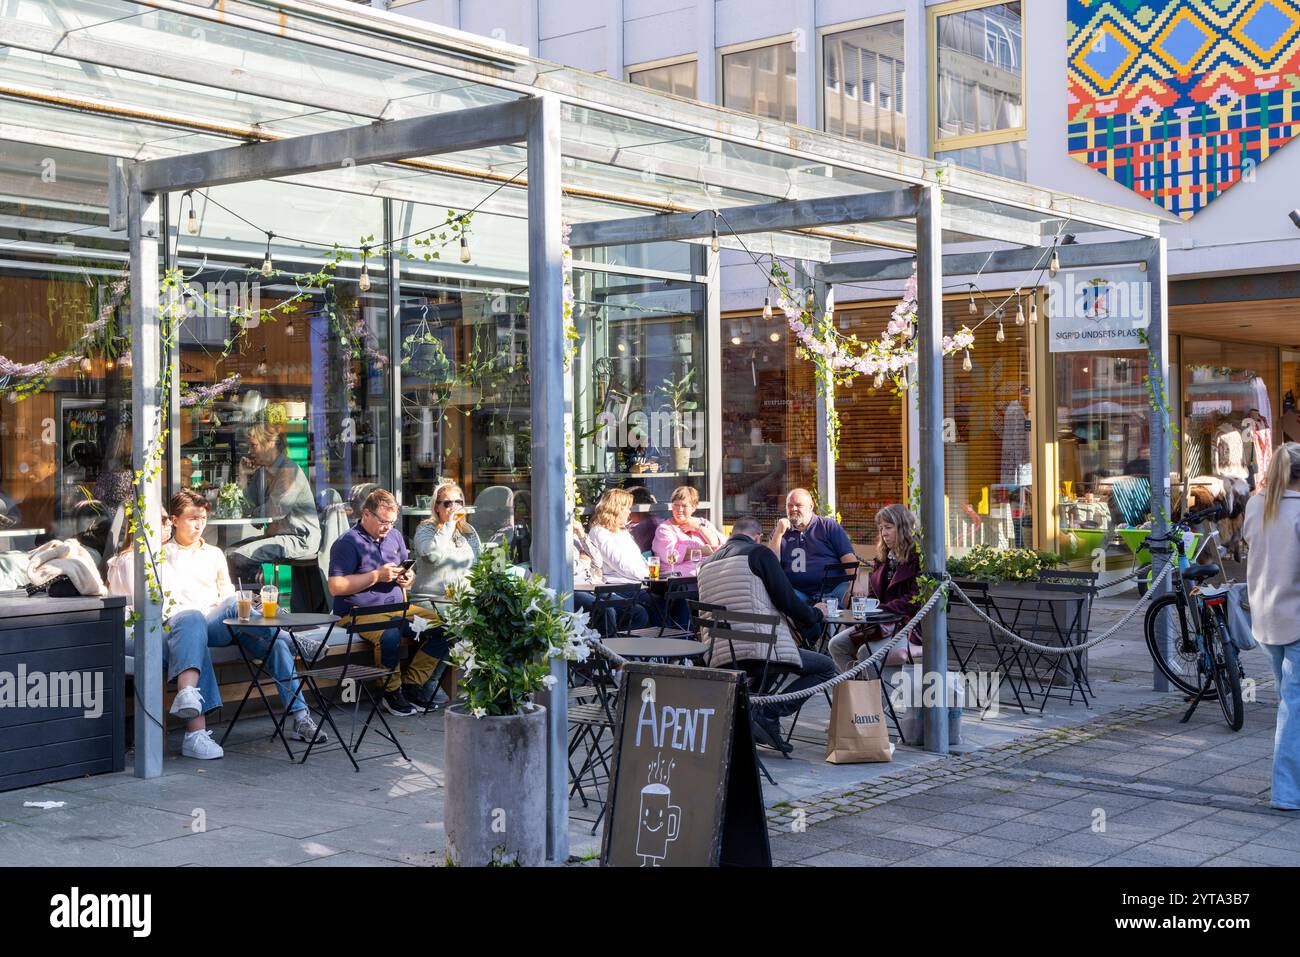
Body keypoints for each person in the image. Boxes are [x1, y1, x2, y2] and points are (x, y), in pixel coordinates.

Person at [117, 490, 324, 760]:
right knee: (234, 607)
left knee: (266, 639)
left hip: (223, 623)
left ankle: (300, 717)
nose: (199, 524)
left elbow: (226, 593)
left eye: (203, 518)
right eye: (192, 518)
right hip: (189, 626)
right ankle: (287, 636)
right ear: (176, 520)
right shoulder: (161, 555)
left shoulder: (213, 554)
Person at [698, 516, 835, 754]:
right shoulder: (759, 554)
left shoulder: (706, 564)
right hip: (760, 650)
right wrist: (815, 614)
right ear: (758, 536)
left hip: (719, 654)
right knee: (825, 667)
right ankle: (768, 713)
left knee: (772, 658)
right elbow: (787, 601)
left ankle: (753, 717)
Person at [327, 487, 440, 716]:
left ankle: (412, 685)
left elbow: (405, 571)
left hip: (398, 608)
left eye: (392, 523)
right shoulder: (347, 543)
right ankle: (390, 692)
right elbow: (335, 587)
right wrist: (376, 576)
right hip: (358, 612)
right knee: (391, 632)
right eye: (383, 522)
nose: (388, 528)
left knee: (443, 628)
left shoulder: (394, 536)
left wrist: (408, 577)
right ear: (366, 514)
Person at [1242, 441, 1300, 811]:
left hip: (1264, 619)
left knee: (1289, 703)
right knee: (1293, 709)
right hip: (1296, 620)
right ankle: (1286, 793)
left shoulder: (1255, 506)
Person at [226, 422, 322, 588]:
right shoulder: (263, 472)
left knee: (239, 557)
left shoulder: (289, 470)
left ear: (269, 444)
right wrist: (243, 477)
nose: (249, 452)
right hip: (277, 536)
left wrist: (255, 513)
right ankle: (251, 600)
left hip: (299, 538)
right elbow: (246, 509)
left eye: (253, 445)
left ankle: (255, 604)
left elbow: (275, 511)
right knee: (229, 553)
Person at [830, 504, 923, 673]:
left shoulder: (918, 557)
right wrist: (865, 606)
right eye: (881, 528)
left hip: (908, 626)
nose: (884, 533)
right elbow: (875, 593)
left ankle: (879, 698)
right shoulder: (883, 558)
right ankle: (860, 689)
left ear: (902, 527)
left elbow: (914, 600)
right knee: (836, 644)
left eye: (888, 527)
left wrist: (880, 609)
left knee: (867, 652)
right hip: (881, 624)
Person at [585, 488, 664, 627]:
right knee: (656, 604)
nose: (629, 512)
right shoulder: (599, 532)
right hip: (618, 585)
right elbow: (620, 564)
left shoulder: (622, 531)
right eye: (626, 508)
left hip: (636, 583)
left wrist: (649, 575)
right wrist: (647, 575)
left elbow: (637, 558)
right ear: (616, 509)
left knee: (671, 598)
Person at [768, 487, 859, 603]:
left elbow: (848, 559)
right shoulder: (779, 532)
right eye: (789, 505)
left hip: (832, 590)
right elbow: (770, 564)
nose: (793, 509)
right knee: (780, 597)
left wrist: (855, 583)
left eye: (798, 505)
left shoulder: (828, 527)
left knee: (850, 594)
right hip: (797, 592)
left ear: (811, 507)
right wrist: (779, 533)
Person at [410, 481, 480, 599]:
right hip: (432, 600)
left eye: (458, 502)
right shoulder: (426, 529)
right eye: (448, 503)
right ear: (437, 507)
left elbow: (477, 563)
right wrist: (449, 524)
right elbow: (430, 555)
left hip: (465, 601)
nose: (454, 507)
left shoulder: (468, 530)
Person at [652, 485, 724, 577]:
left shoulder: (702, 523)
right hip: (679, 578)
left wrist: (698, 528)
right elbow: (671, 556)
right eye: (676, 505)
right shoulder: (665, 529)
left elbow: (718, 544)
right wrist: (702, 551)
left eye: (684, 506)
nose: (679, 510)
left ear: (693, 507)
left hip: (707, 570)